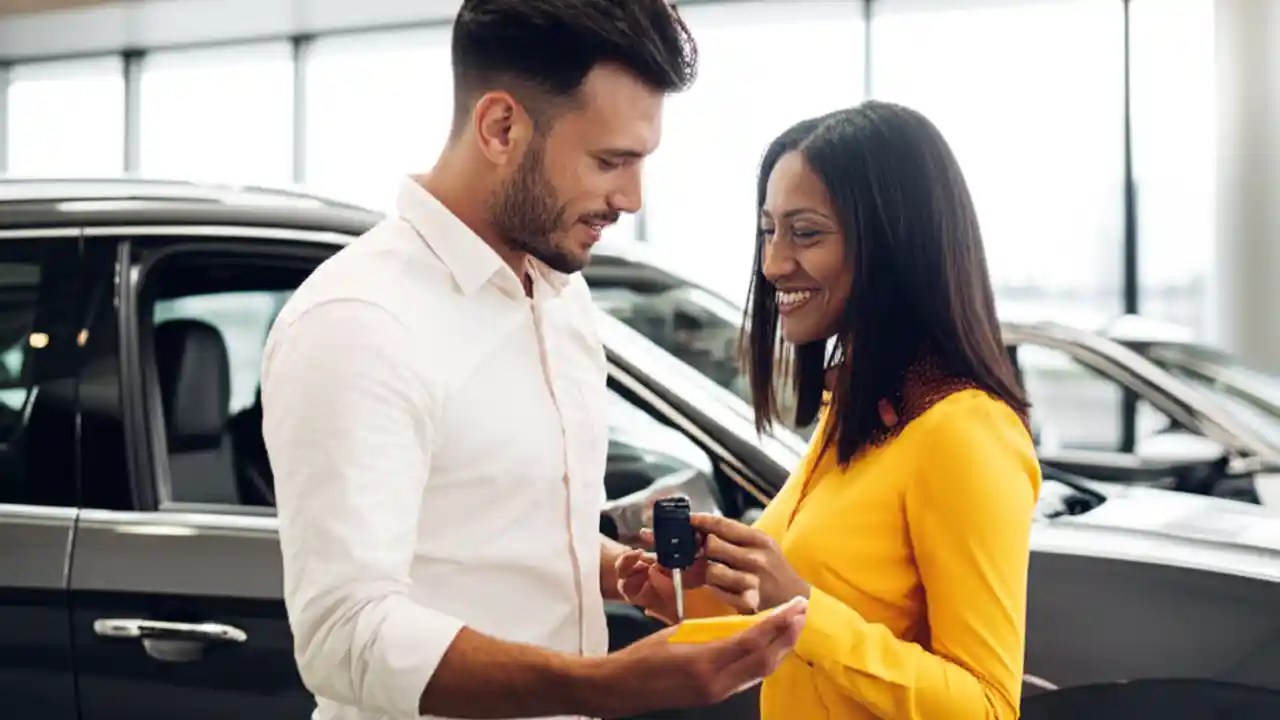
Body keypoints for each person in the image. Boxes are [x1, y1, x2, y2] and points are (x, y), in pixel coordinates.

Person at [260, 2, 807, 719]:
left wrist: (617, 571)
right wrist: (609, 685)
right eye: (611, 160)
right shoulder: (359, 321)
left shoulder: (559, 298)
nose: (632, 198)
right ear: (500, 128)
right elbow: (343, 634)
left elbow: (497, 532)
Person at [617, 101, 1041, 719]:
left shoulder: (964, 432)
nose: (772, 264)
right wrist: (682, 594)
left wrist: (805, 610)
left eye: (805, 232)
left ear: (893, 243)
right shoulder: (856, 410)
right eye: (768, 231)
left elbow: (988, 706)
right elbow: (792, 624)